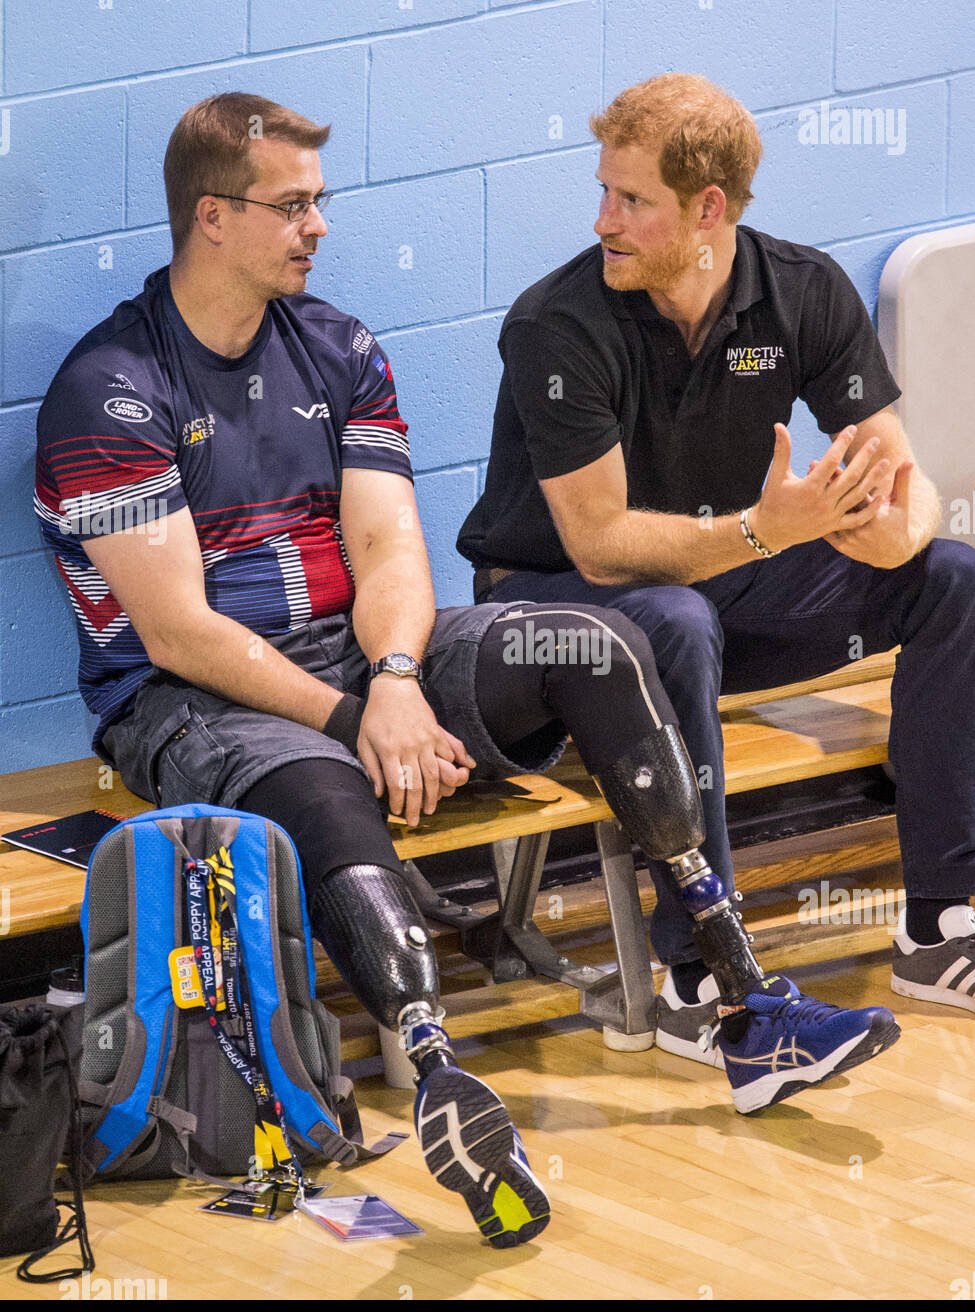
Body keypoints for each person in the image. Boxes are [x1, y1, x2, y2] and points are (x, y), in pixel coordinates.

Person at [35, 92, 902, 1250]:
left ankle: (741, 995)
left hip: (360, 659)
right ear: (212, 218)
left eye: (319, 204)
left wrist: (392, 678)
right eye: (292, 206)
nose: (318, 227)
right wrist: (357, 716)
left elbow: (392, 547)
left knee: (590, 641)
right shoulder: (112, 389)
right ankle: (441, 1075)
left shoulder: (337, 347)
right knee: (320, 782)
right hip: (188, 704)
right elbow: (183, 634)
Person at [457, 72, 975, 1058]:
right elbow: (599, 540)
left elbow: (905, 481)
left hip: (718, 585)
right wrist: (766, 529)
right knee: (674, 619)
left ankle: (938, 926)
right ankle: (703, 975)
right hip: (551, 613)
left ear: (708, 209)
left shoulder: (802, 291)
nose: (602, 218)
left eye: (631, 200)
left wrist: (885, 531)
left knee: (949, 575)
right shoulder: (557, 325)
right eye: (603, 191)